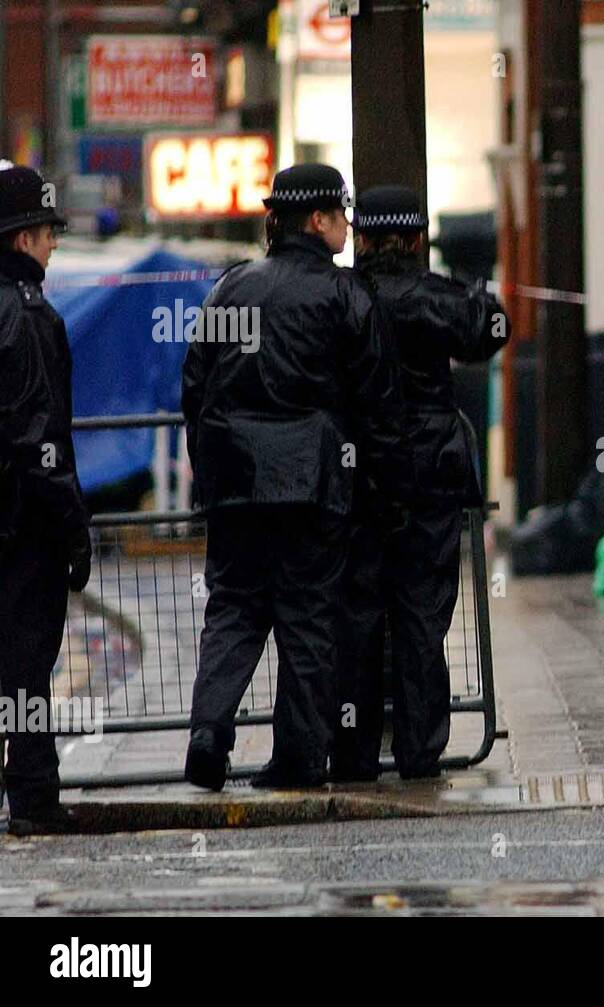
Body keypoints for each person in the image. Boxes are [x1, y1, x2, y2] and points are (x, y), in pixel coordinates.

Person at [182, 164, 412, 791]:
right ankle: (299, 759)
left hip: (235, 483)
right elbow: (379, 405)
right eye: (341, 213)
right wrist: (387, 492)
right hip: (312, 483)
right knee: (308, 620)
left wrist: (211, 469)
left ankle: (208, 733)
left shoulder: (230, 289)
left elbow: (195, 388)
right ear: (317, 221)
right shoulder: (344, 295)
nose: (348, 226)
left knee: (233, 609)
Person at [332, 184, 510, 782]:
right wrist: (476, 289)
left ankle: (352, 755)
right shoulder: (433, 297)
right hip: (429, 473)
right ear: (414, 240)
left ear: (360, 238)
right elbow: (490, 330)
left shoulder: (341, 297)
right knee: (422, 620)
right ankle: (421, 751)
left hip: (357, 476)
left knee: (355, 618)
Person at [0, 165, 91, 835]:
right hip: (21, 525)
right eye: (48, 233)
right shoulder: (30, 317)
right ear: (24, 237)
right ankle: (32, 792)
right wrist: (73, 525)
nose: (54, 246)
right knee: (27, 666)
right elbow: (40, 439)